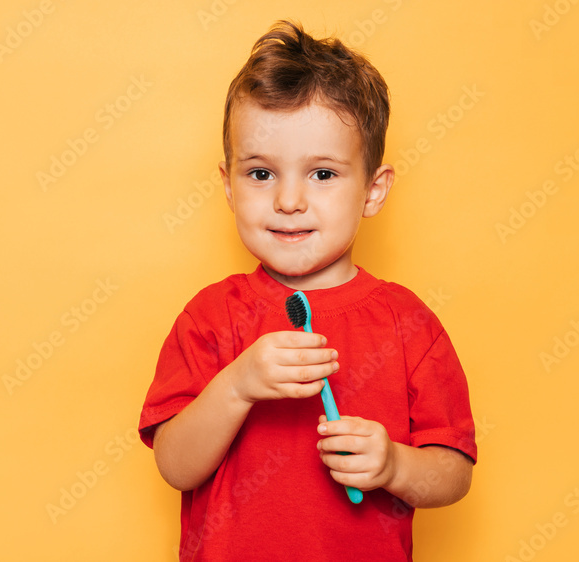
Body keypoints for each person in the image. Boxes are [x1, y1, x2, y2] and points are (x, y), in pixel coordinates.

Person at [138, 20, 477, 561]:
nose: (289, 200)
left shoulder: (409, 324)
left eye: (322, 174)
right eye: (260, 174)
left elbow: (454, 472)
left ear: (373, 189)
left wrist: (395, 464)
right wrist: (238, 386)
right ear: (228, 186)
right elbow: (175, 466)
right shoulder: (210, 317)